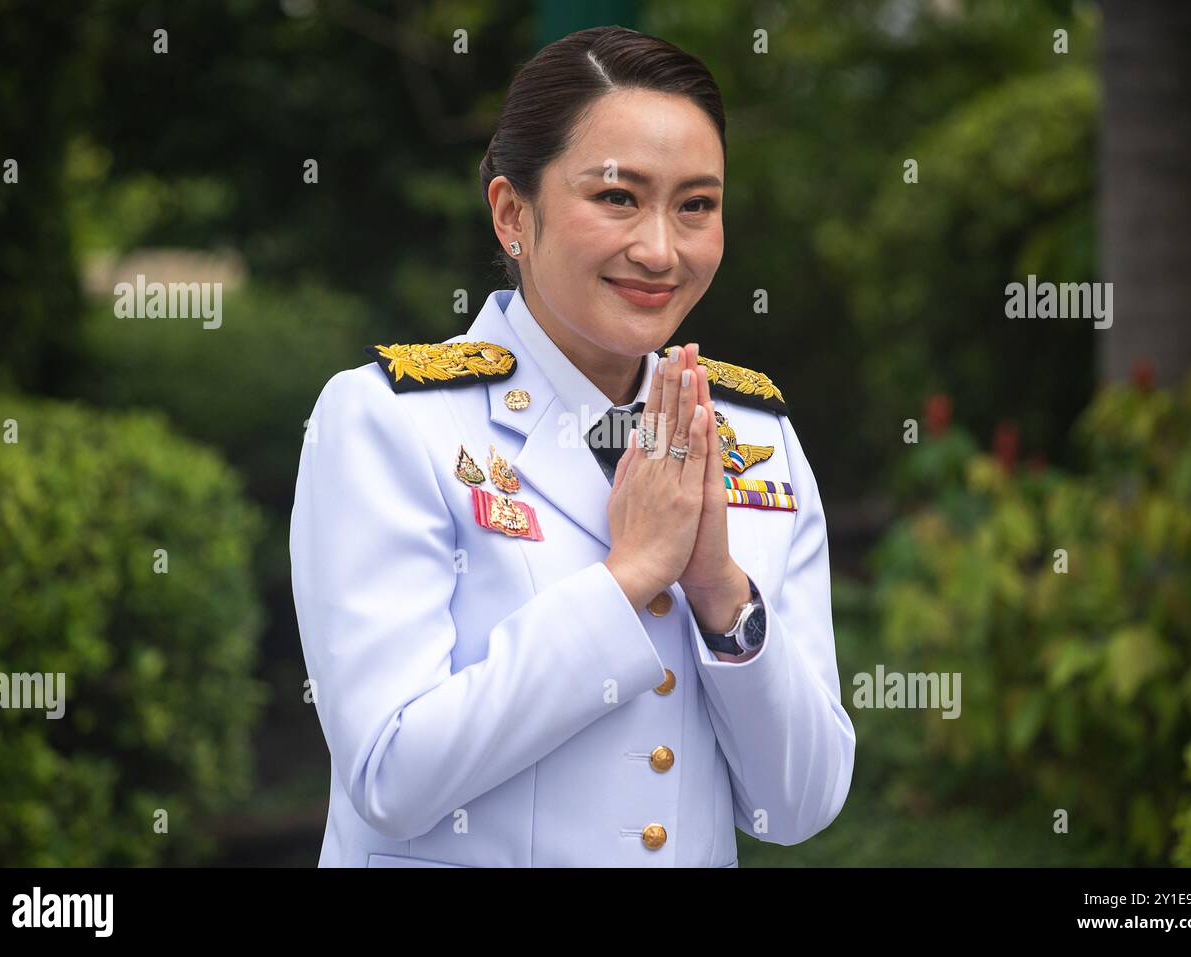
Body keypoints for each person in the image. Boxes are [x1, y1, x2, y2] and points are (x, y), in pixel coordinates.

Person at [289, 24, 855, 868]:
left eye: (696, 205)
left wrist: (720, 595)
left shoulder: (754, 440)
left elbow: (799, 805)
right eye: (618, 197)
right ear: (515, 213)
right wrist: (628, 579)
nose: (661, 250)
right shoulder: (391, 422)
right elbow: (390, 774)